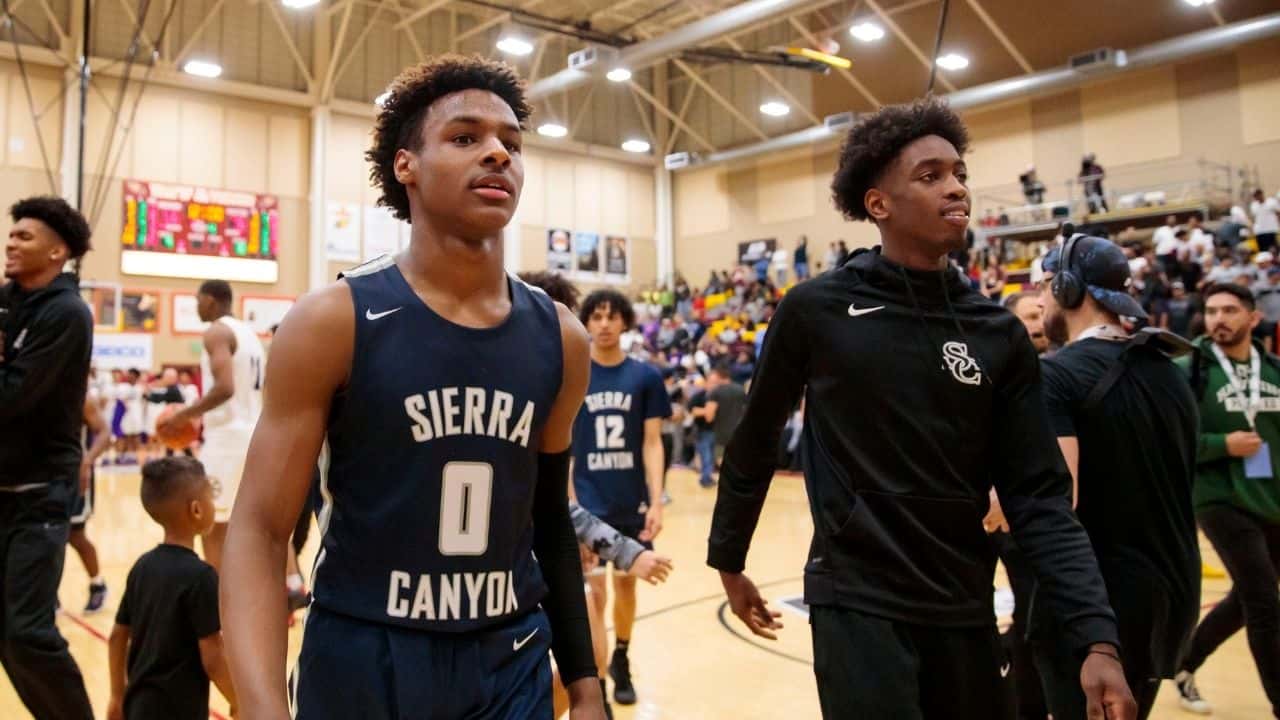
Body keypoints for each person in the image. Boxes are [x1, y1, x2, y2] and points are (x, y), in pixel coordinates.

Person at [706, 97, 1135, 719]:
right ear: (877, 204)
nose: (956, 188)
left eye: (959, 173)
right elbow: (756, 435)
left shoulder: (998, 333)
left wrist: (1097, 636)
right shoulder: (816, 309)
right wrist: (730, 558)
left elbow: (1039, 496)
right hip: (857, 599)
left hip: (963, 600)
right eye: (930, 176)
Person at [219, 55, 605, 719]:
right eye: (465, 138)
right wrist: (260, 708)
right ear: (407, 166)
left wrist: (586, 685)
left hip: (509, 655)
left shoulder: (562, 338)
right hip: (367, 653)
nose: (496, 154)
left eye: (511, 143)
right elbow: (257, 529)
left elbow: (549, 522)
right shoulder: (332, 322)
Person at [1033, 234, 1200, 719]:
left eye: (1044, 285)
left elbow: (1059, 500)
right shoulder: (1169, 370)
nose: (1041, 299)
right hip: (1167, 599)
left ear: (1067, 289)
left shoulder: (1057, 375)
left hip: (1094, 608)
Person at [0, 195, 96, 720]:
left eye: (25, 237)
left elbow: (12, 399)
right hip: (3, 488)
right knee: (7, 636)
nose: (11, 242)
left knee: (28, 632)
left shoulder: (66, 314)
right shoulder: (6, 301)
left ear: (57, 252)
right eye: (11, 235)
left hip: (39, 494)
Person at [1174, 283, 1280, 717]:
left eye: (1230, 310)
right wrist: (1221, 443)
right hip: (1217, 498)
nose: (1219, 318)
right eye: (1212, 310)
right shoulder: (1188, 370)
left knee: (1250, 596)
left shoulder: (1274, 370)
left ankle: (1183, 663)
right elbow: (1169, 441)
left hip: (1270, 498)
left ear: (1252, 319)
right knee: (1263, 601)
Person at [572, 288, 671, 707]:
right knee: (594, 595)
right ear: (587, 323)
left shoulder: (645, 377)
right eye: (596, 317)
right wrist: (571, 505)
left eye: (612, 316)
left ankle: (622, 657)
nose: (605, 324)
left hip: (631, 501)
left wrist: (656, 499)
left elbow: (652, 443)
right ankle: (596, 684)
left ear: (625, 321)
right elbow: (565, 446)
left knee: (627, 588)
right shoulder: (574, 373)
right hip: (590, 502)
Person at [107, 457, 236, 720]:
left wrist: (117, 696)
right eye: (211, 496)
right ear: (197, 510)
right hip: (179, 711)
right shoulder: (202, 577)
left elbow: (117, 637)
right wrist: (239, 701)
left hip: (138, 707)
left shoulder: (142, 567)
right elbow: (212, 657)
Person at [156, 279, 265, 572]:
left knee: (210, 522)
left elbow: (225, 387)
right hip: (255, 434)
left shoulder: (216, 331)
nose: (196, 306)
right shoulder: (250, 335)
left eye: (198, 300)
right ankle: (276, 589)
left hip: (227, 441)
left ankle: (217, 596)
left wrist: (183, 415)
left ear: (212, 300)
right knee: (252, 522)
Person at [71, 387, 113, 613]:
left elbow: (105, 433)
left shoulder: (83, 396)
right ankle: (48, 594)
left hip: (77, 474)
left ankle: (98, 585)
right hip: (47, 474)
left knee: (74, 535)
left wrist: (87, 461)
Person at [1252, 188, 1279, 254]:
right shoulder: (1253, 205)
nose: (1256, 197)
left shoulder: (1271, 202)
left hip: (1271, 230)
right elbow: (1254, 218)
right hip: (1260, 232)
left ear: (1261, 194)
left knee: (1274, 250)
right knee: (1263, 251)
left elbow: (1278, 213)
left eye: (1257, 195)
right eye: (1255, 196)